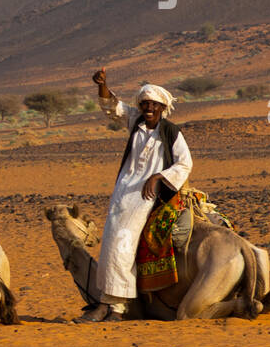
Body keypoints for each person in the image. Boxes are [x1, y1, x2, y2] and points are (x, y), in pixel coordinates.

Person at [77, 68, 193, 323]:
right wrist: (103, 84)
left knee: (122, 243)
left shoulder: (171, 132)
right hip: (122, 193)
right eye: (144, 103)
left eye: (153, 104)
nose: (148, 108)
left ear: (162, 107)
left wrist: (158, 177)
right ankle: (105, 304)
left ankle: (116, 308)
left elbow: (185, 164)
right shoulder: (135, 122)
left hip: (147, 194)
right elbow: (112, 107)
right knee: (109, 244)